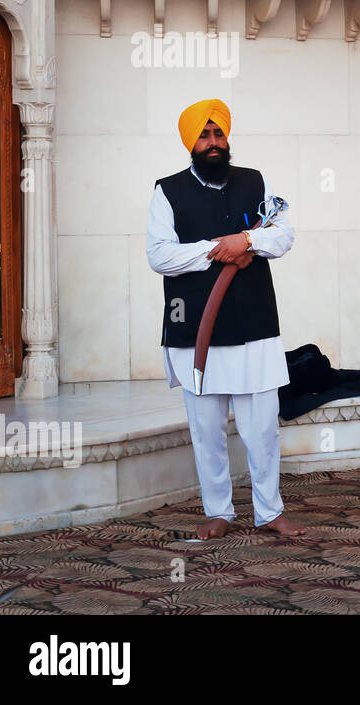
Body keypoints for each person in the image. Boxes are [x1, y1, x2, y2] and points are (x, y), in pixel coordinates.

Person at [146, 98, 303, 540]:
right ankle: (219, 511)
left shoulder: (254, 180)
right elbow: (159, 255)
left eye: (218, 134)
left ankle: (269, 510)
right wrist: (221, 250)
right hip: (195, 329)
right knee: (207, 428)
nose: (212, 143)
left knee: (262, 428)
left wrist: (248, 240)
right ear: (190, 142)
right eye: (204, 135)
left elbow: (284, 233)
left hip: (253, 325)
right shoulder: (168, 190)